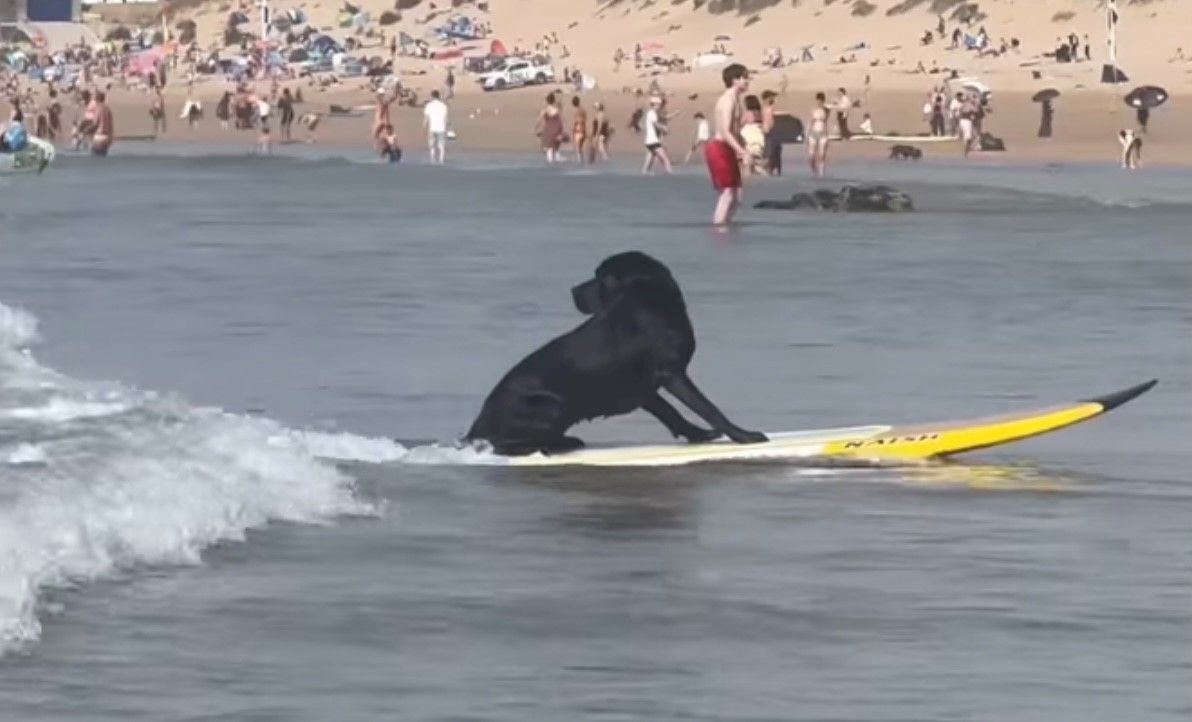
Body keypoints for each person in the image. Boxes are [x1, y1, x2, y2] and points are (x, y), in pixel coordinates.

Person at [706, 63, 750, 226]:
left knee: (737, 196)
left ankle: (726, 226)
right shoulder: (727, 100)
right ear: (734, 80)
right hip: (719, 148)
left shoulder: (736, 100)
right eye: (744, 77)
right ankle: (719, 229)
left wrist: (743, 147)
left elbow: (735, 131)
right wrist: (742, 152)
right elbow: (725, 131)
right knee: (728, 193)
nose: (747, 81)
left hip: (729, 148)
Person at [641, 95, 672, 174]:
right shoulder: (652, 113)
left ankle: (645, 172)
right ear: (654, 105)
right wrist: (664, 128)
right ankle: (671, 175)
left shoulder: (650, 113)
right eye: (658, 104)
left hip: (649, 141)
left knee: (649, 158)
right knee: (665, 159)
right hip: (653, 140)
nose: (659, 106)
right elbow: (656, 124)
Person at [739, 94, 766, 176]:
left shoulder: (748, 113)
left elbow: (741, 123)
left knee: (746, 155)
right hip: (758, 134)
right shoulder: (760, 113)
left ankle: (748, 171)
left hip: (748, 134)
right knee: (755, 154)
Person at [534, 92, 563, 163]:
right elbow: (560, 107)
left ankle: (550, 162)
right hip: (557, 129)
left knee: (548, 149)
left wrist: (535, 128)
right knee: (555, 148)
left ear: (547, 101)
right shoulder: (556, 109)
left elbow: (539, 120)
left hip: (548, 130)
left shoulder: (545, 110)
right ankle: (556, 158)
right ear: (553, 100)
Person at [423, 89, 449, 164]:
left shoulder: (429, 105)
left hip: (432, 128)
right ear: (439, 96)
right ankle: (441, 160)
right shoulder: (443, 106)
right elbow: (446, 119)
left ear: (432, 96)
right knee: (441, 145)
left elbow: (426, 118)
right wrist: (448, 127)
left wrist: (424, 127)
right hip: (441, 128)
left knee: (432, 145)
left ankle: (432, 160)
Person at [807, 91, 830, 177]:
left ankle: (821, 174)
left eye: (821, 101)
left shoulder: (826, 110)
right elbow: (810, 121)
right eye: (818, 101)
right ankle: (815, 171)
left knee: (821, 155)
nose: (819, 102)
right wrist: (807, 133)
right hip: (813, 133)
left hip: (823, 133)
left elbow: (831, 108)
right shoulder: (813, 110)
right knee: (811, 157)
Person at [760, 90, 782, 175]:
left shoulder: (773, 108)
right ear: (766, 98)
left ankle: (775, 169)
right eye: (771, 97)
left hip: (774, 131)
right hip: (766, 131)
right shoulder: (764, 109)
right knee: (768, 151)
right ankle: (769, 168)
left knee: (776, 151)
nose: (773, 99)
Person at [90, 91, 113, 157]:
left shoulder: (98, 109)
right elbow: (111, 125)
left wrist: (84, 131)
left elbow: (95, 124)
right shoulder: (108, 109)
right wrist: (110, 138)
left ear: (97, 100)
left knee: (95, 160)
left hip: (98, 137)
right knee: (103, 159)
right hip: (106, 137)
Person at [570, 95, 588, 164]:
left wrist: (573, 129)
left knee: (578, 148)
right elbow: (585, 119)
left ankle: (580, 161)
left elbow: (576, 121)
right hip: (583, 129)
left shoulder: (576, 111)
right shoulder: (583, 110)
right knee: (581, 147)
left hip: (578, 129)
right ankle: (582, 160)